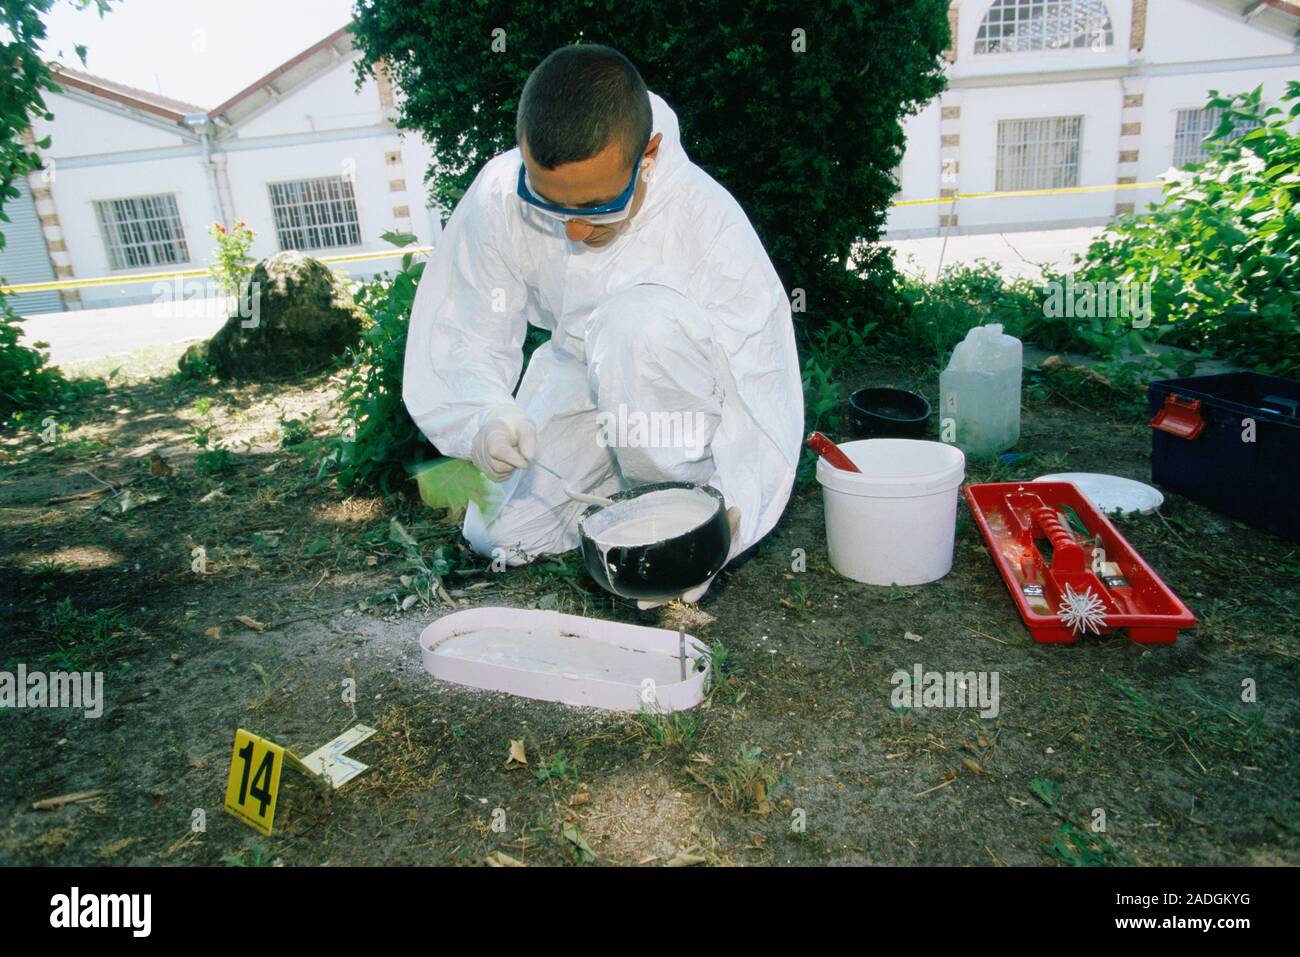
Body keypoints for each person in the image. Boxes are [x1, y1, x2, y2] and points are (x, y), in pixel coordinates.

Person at [403, 44, 802, 605]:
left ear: (650, 156)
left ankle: (677, 501)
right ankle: (615, 483)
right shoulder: (499, 195)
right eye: (550, 205)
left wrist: (733, 510)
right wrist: (485, 417)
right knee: (499, 536)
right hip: (579, 372)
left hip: (680, 400)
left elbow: (761, 384)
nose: (572, 231)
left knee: (634, 326)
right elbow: (463, 329)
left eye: (596, 207)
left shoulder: (708, 225)